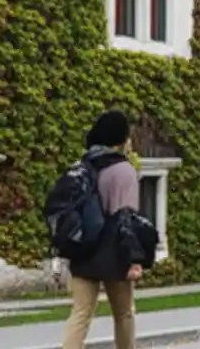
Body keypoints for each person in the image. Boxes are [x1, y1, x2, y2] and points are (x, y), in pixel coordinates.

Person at [62, 110, 158, 349]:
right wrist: (134, 259)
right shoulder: (123, 170)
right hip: (115, 253)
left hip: (83, 247)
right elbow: (126, 218)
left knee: (80, 314)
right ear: (121, 139)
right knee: (124, 313)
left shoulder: (82, 166)